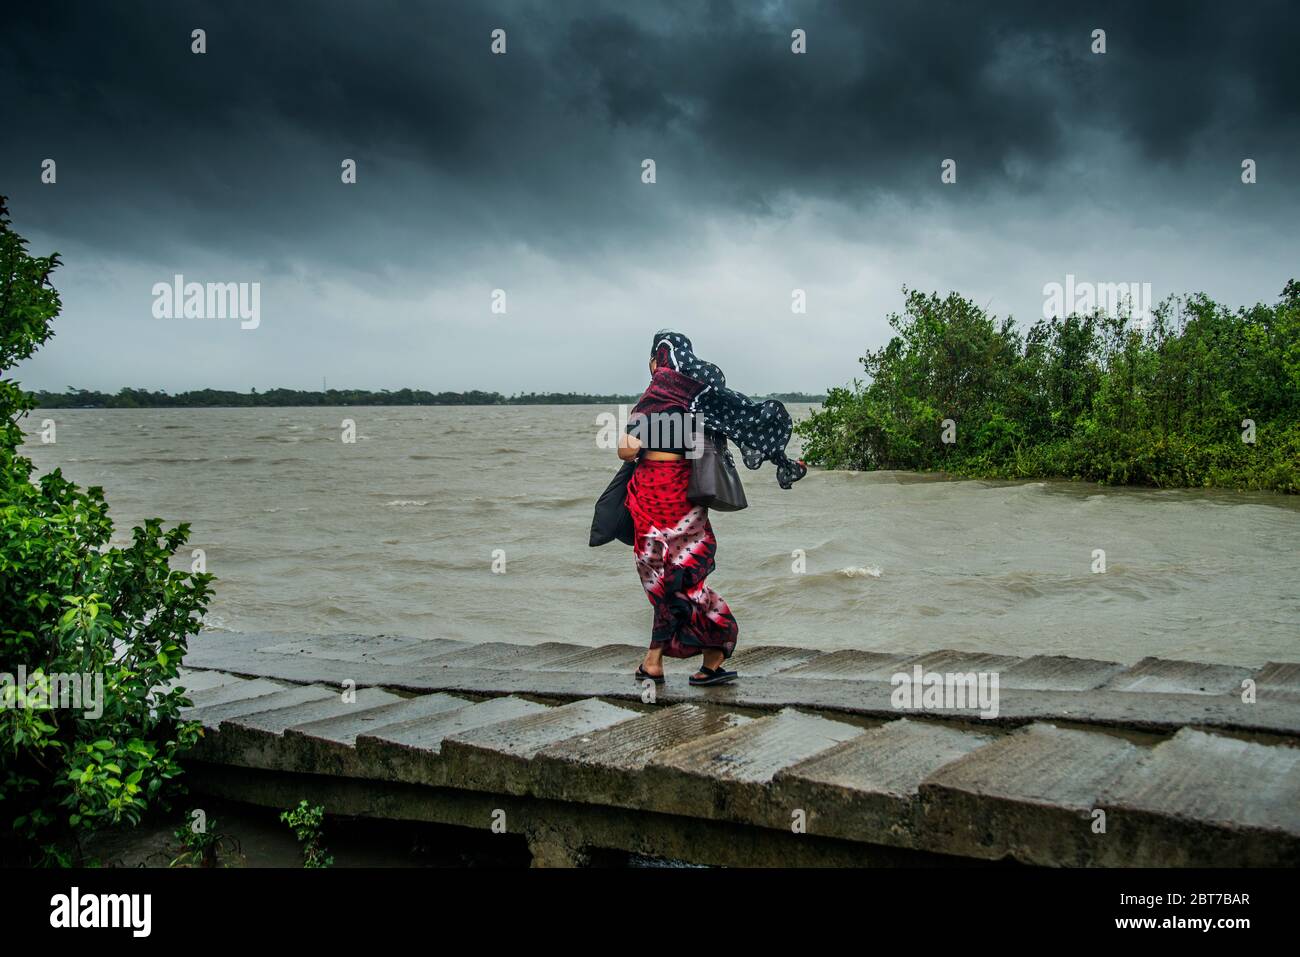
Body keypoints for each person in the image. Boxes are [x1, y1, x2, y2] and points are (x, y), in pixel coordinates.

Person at [617, 330, 807, 686]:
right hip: (684, 500)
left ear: (657, 361)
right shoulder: (697, 402)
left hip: (652, 494)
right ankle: (700, 657)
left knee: (661, 578)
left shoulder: (653, 399)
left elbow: (626, 449)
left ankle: (673, 657)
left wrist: (644, 444)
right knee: (681, 575)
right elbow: (733, 430)